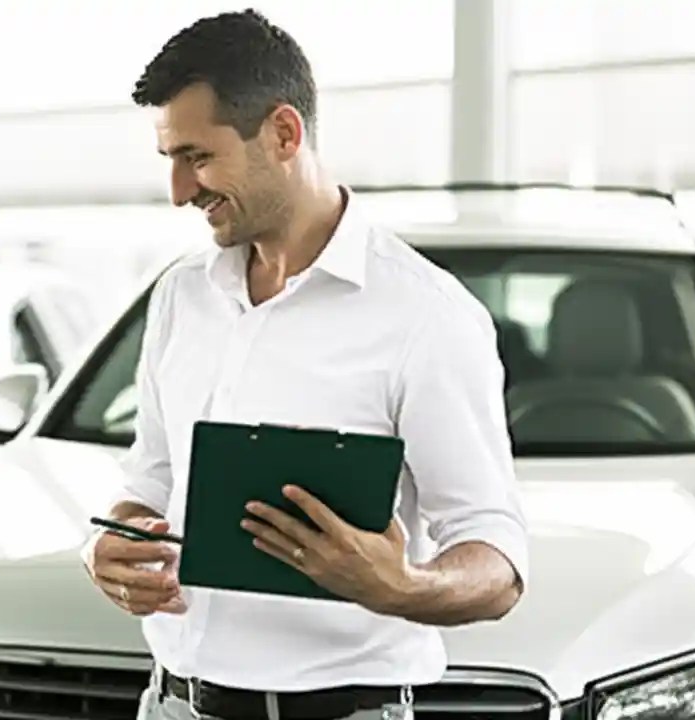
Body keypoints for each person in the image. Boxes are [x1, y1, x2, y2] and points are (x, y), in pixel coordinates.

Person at [80, 9, 529, 720]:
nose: (178, 190)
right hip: (171, 704)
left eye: (196, 157)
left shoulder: (426, 316)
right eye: (169, 159)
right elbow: (152, 480)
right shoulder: (181, 296)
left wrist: (402, 586)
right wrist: (112, 545)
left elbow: (497, 561)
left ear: (284, 134)